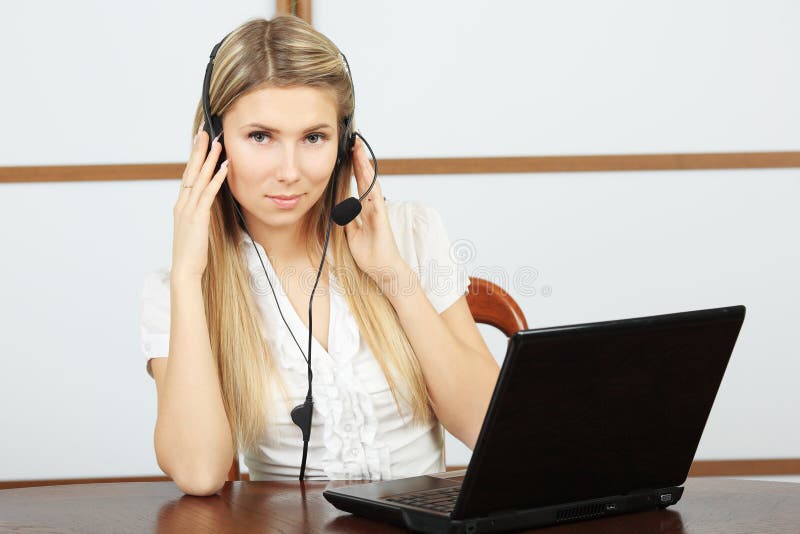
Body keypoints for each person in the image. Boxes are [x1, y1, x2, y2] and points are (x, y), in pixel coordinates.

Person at [139, 15, 499, 496]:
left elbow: (487, 429)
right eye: (261, 136)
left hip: (421, 522)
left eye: (314, 137)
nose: (290, 172)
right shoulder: (182, 286)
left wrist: (393, 275)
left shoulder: (410, 233)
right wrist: (188, 274)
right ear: (215, 144)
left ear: (346, 142)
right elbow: (199, 473)